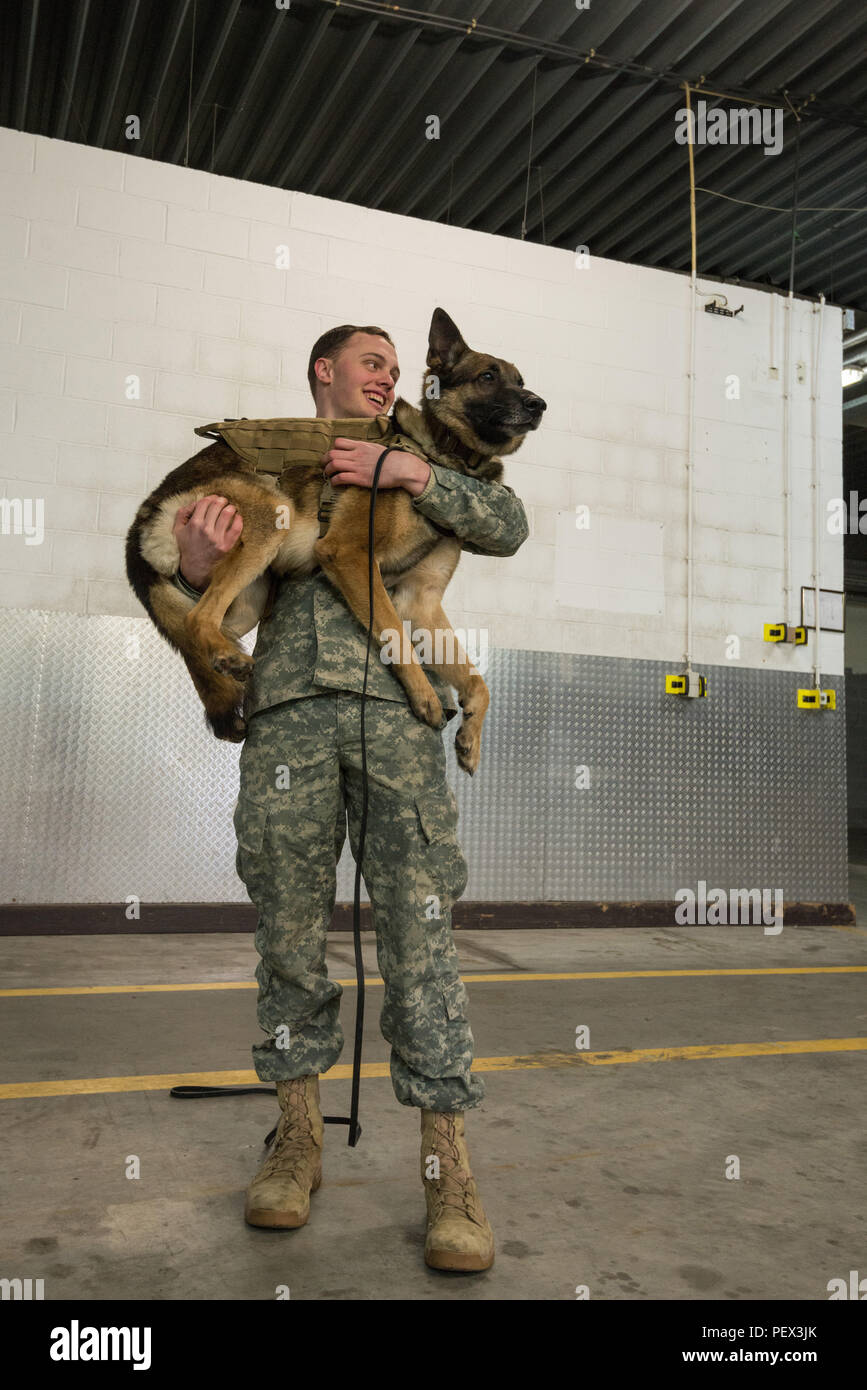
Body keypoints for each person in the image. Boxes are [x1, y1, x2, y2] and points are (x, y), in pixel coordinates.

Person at [171, 324, 529, 1272]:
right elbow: (229, 615)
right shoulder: (272, 470)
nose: (385, 377)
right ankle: (296, 1137)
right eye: (369, 363)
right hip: (287, 715)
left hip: (401, 724)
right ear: (324, 373)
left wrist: (407, 474)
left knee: (422, 941)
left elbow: (507, 526)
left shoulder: (424, 458)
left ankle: (446, 1167)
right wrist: (201, 571)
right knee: (288, 934)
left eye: (393, 367)